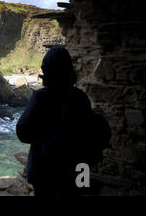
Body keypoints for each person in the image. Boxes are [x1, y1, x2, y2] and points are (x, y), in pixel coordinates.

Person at [16, 46, 110, 196]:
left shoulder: (41, 97)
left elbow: (23, 132)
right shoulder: (80, 96)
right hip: (77, 168)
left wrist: (45, 131)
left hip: (46, 170)